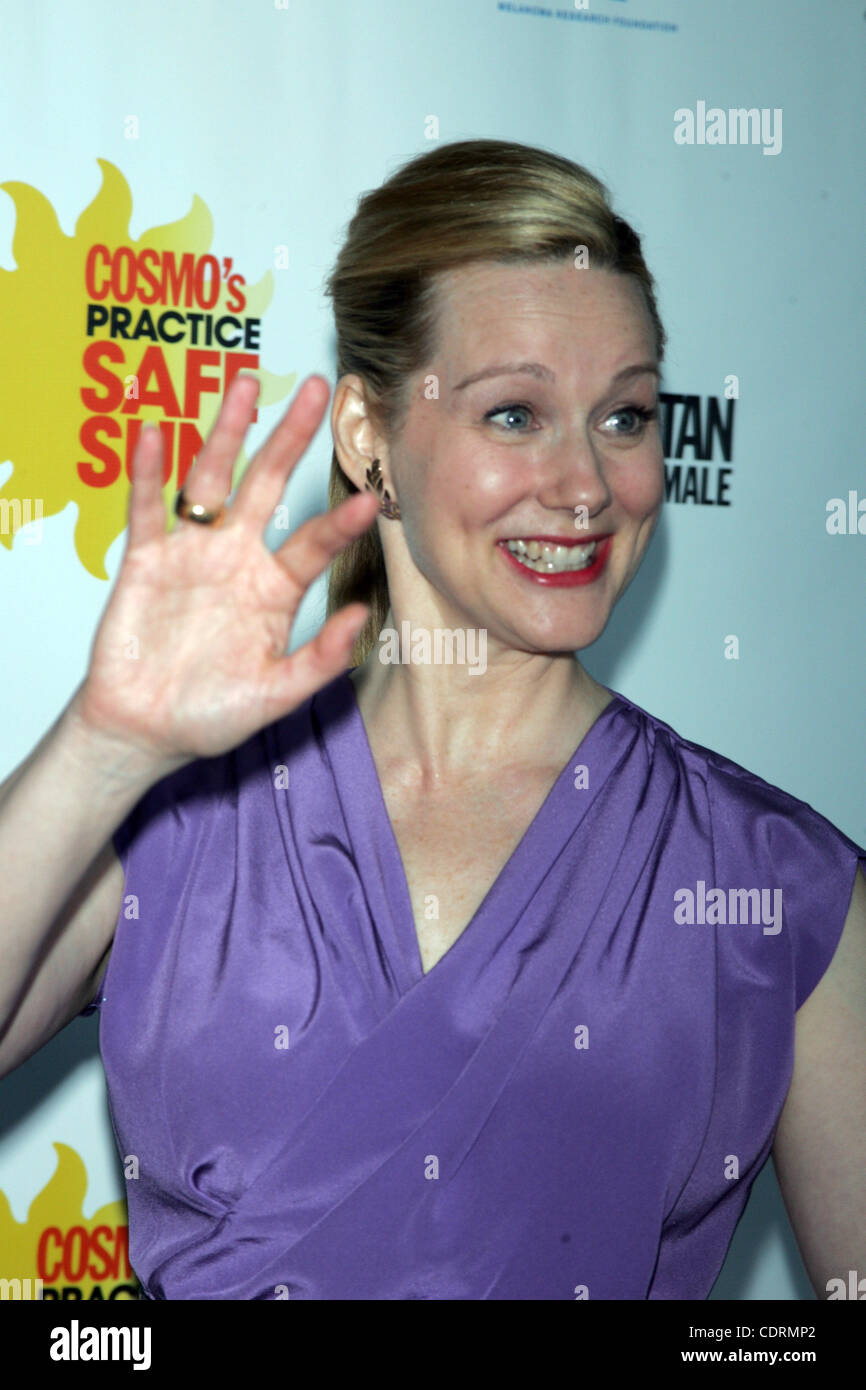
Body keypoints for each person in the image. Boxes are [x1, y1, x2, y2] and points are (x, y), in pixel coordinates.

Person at [0, 138, 863, 1301]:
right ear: (367, 436)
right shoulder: (181, 807)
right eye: (514, 413)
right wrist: (106, 745)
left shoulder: (778, 885)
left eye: (623, 417)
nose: (584, 485)